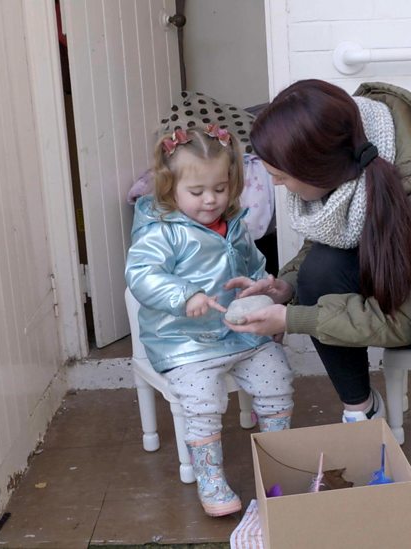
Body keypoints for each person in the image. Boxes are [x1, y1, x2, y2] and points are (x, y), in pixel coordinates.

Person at [225, 80, 411, 515]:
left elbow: (403, 320)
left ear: (319, 168)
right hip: (401, 282)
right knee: (319, 271)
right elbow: (333, 235)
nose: (282, 189)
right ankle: (361, 412)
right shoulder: (353, 141)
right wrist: (286, 285)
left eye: (283, 178)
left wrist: (294, 320)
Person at [125, 124, 294, 517]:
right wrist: (185, 296)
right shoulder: (160, 231)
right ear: (170, 188)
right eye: (197, 193)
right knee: (201, 399)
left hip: (238, 334)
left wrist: (258, 285)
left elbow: (254, 263)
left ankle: (275, 463)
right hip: (182, 340)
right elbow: (143, 276)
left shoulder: (235, 224)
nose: (210, 201)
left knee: (278, 376)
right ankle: (211, 477)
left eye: (220, 189)